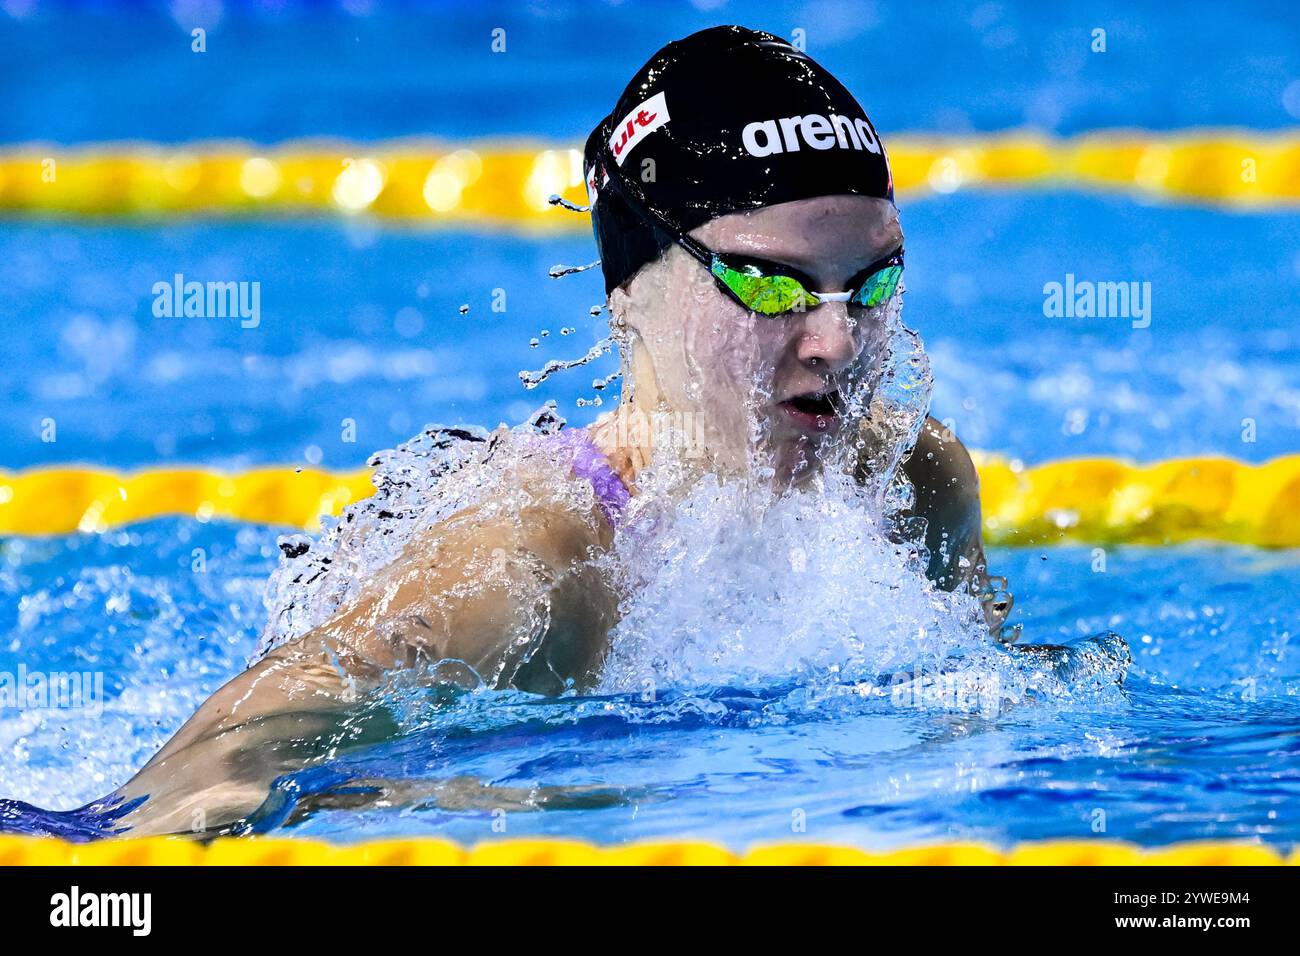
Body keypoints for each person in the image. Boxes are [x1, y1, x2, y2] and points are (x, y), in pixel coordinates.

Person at [105, 25, 1011, 837]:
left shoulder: (911, 483)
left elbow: (987, 716)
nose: (838, 343)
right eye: (770, 286)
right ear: (630, 294)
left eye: (873, 284)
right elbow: (201, 774)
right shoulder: (537, 569)